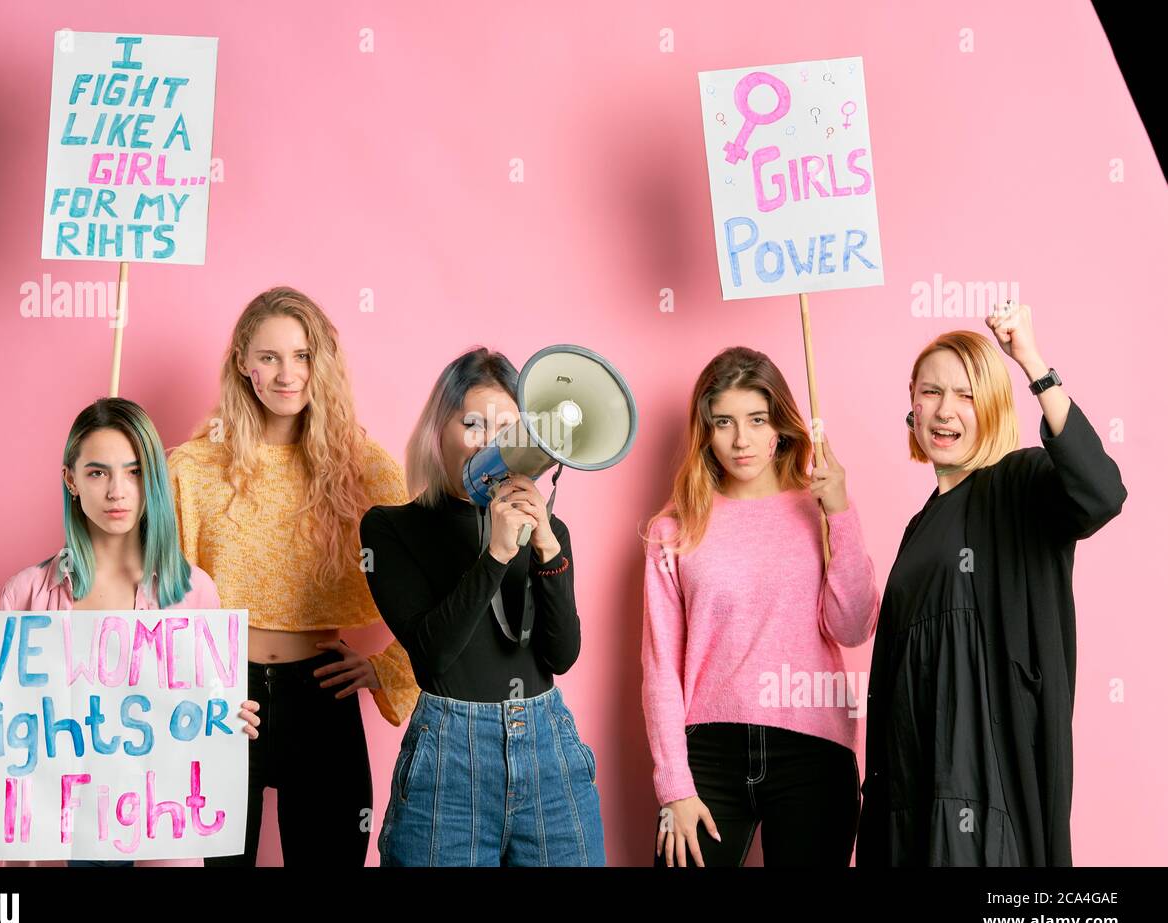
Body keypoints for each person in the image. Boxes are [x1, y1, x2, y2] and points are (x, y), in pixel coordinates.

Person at [0, 397, 260, 867]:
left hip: (161, 830)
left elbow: (203, 712)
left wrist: (232, 719)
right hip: (64, 832)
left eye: (134, 471)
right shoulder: (25, 594)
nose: (117, 492)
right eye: (98, 473)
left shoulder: (192, 593)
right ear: (71, 480)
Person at [857, 303, 1127, 866]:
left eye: (966, 394)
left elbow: (1101, 494)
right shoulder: (918, 527)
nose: (945, 410)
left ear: (993, 406)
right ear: (911, 405)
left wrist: (1032, 361)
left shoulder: (1018, 484)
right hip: (913, 795)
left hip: (984, 792)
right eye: (930, 392)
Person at [167, 286, 418, 866]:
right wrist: (189, 694)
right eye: (270, 356)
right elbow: (154, 598)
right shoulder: (193, 468)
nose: (288, 374)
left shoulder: (364, 468)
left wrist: (387, 668)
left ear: (321, 363)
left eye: (303, 356)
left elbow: (428, 589)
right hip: (223, 696)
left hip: (322, 695)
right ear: (243, 364)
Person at [360, 347, 605, 866]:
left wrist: (546, 549)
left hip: (547, 749)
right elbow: (432, 657)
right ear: (438, 431)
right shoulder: (390, 529)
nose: (490, 442)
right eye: (473, 423)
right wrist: (495, 554)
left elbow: (561, 656)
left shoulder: (547, 530)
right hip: (450, 755)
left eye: (508, 428)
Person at [642, 346, 879, 867]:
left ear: (782, 426)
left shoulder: (818, 510)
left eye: (757, 419)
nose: (741, 439)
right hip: (708, 750)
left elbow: (855, 625)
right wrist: (674, 785)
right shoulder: (674, 529)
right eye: (724, 422)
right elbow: (661, 668)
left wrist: (840, 511)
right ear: (705, 430)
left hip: (813, 748)